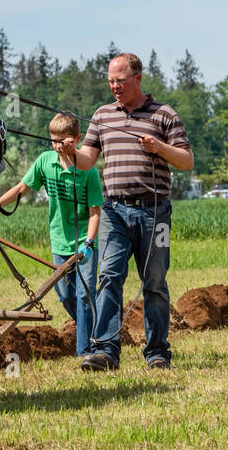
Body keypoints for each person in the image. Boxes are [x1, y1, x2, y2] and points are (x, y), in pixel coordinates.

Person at [75, 53, 194, 371]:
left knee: (154, 281)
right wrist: (67, 150)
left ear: (138, 78)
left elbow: (186, 160)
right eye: (111, 81)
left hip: (155, 212)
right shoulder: (101, 116)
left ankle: (157, 353)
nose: (115, 86)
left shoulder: (164, 114)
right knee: (109, 278)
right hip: (114, 211)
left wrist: (159, 148)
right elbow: (86, 160)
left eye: (120, 80)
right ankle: (104, 352)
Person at [0, 112, 103, 355]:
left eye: (62, 141)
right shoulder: (45, 161)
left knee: (85, 295)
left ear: (77, 138)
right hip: (59, 241)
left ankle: (85, 349)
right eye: (53, 140)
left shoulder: (89, 171)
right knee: (66, 295)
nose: (57, 146)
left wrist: (89, 242)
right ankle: (95, 329)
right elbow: (22, 188)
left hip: (83, 243)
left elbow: (95, 211)